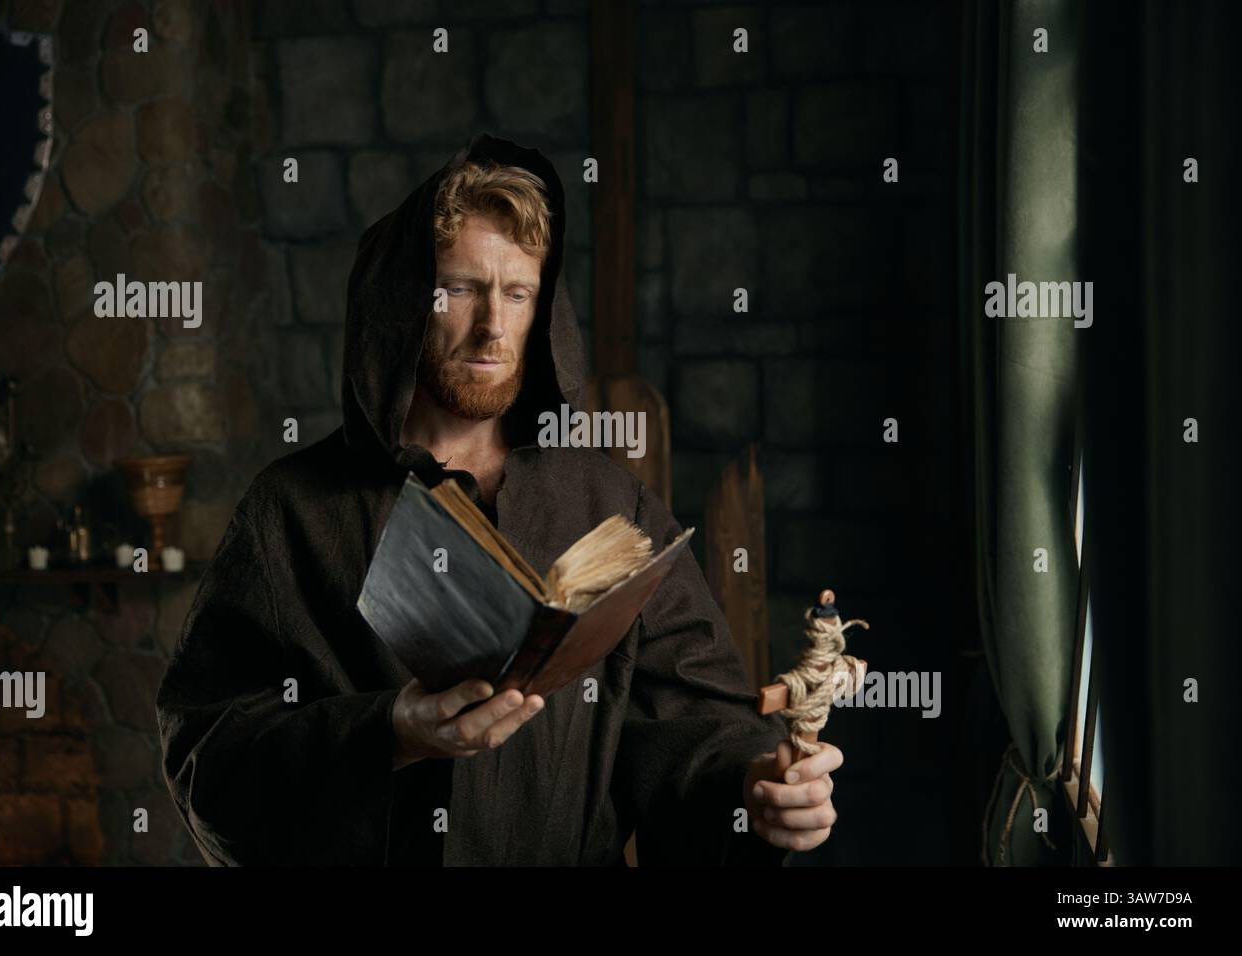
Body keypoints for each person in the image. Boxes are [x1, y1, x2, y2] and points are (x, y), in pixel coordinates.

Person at [155, 133, 842, 865]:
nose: (492, 326)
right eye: (461, 289)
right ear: (404, 303)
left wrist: (756, 788)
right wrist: (390, 732)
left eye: (518, 293)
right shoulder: (292, 513)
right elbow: (210, 760)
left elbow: (695, 724)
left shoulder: (611, 506)